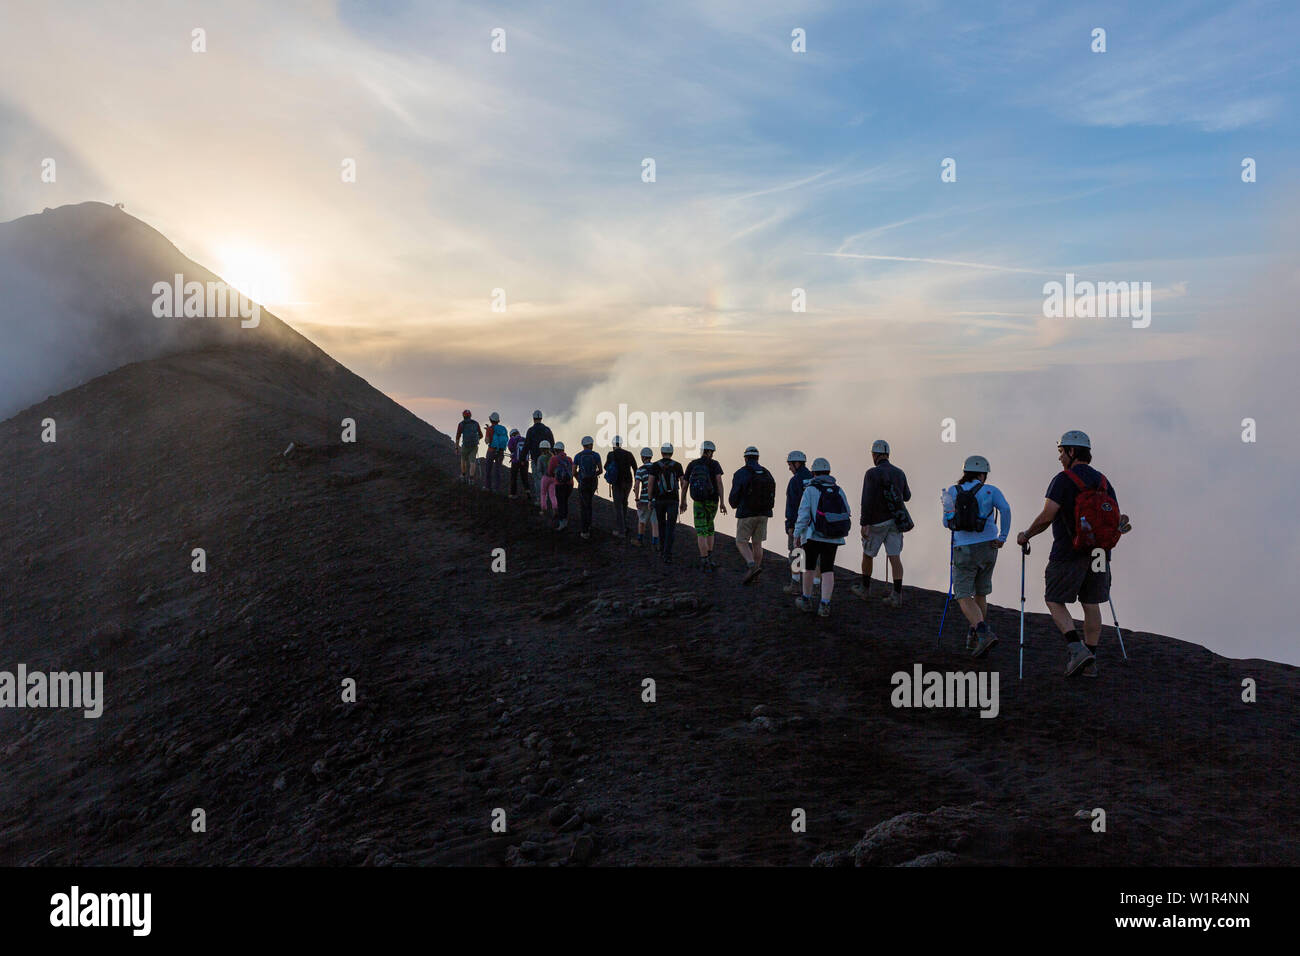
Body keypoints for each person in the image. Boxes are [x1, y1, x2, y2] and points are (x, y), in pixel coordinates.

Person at [1017, 430, 1126, 678]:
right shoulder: (1103, 481)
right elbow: (1116, 517)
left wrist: (1026, 535)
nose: (1059, 458)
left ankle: (1076, 649)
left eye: (1061, 452)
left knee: (1054, 599)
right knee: (1092, 603)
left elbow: (1048, 515)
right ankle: (1091, 660)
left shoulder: (1063, 479)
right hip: (1100, 554)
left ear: (1072, 451)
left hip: (1070, 551)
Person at [942, 455, 1012, 658]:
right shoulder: (991, 490)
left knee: (963, 594)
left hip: (964, 547)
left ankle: (982, 632)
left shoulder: (952, 491)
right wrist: (1003, 537)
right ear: (983, 474)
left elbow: (947, 523)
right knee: (981, 591)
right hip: (989, 545)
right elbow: (1005, 509)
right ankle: (974, 635)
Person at [854, 439, 911, 607]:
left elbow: (867, 500)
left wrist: (864, 523)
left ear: (875, 455)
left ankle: (865, 589)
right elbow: (907, 496)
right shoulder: (899, 473)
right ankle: (897, 595)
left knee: (868, 554)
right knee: (895, 557)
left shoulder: (871, 473)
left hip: (877, 521)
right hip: (896, 521)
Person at [792, 458, 851, 617]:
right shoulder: (838, 490)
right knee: (827, 569)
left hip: (812, 536)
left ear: (813, 472)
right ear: (829, 472)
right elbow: (847, 512)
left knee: (809, 567)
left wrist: (796, 535)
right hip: (833, 536)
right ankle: (825, 604)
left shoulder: (810, 490)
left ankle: (806, 600)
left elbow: (803, 515)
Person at [728, 445, 776, 584]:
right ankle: (756, 576)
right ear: (758, 457)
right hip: (764, 513)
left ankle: (752, 566)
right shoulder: (767, 473)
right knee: (757, 543)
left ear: (745, 458)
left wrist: (734, 504)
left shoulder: (741, 473)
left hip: (746, 513)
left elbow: (735, 494)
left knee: (741, 541)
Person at [684, 440, 727, 572]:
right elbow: (719, 482)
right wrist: (722, 502)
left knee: (700, 530)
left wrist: (682, 501)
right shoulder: (715, 464)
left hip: (698, 501)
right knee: (709, 527)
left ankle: (704, 561)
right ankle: (710, 557)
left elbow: (685, 484)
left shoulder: (693, 464)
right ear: (711, 452)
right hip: (712, 501)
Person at [648, 442, 686, 564]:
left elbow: (650, 483)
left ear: (661, 452)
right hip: (673, 500)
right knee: (671, 527)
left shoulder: (655, 466)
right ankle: (667, 553)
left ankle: (662, 549)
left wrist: (650, 499)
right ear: (672, 452)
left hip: (659, 500)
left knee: (661, 525)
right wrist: (683, 500)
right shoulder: (678, 466)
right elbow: (683, 484)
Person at [783, 450, 813, 595]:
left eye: (790, 464)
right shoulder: (814, 478)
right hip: (814, 525)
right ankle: (816, 586)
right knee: (814, 555)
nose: (789, 468)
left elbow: (792, 504)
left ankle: (795, 584)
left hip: (798, 524)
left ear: (797, 463)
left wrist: (790, 525)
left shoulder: (795, 481)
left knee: (795, 552)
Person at [605, 435, 638, 538]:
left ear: (613, 445)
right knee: (624, 503)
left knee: (618, 506)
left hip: (617, 482)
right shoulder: (629, 454)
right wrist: (636, 483)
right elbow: (635, 468)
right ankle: (624, 526)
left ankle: (621, 530)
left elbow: (606, 466)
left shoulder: (611, 455)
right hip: (628, 482)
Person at [573, 436, 603, 540]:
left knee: (583, 506)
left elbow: (573, 472)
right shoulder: (596, 455)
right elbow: (601, 470)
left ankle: (584, 530)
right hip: (592, 483)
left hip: (583, 483)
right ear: (591, 444)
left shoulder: (578, 456)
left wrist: (579, 479)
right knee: (589, 504)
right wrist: (594, 475)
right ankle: (589, 526)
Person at [632, 447, 660, 549]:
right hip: (655, 500)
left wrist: (636, 499)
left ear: (643, 457)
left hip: (644, 500)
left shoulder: (641, 469)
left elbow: (637, 485)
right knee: (655, 522)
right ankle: (655, 543)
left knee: (642, 521)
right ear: (651, 457)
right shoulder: (657, 468)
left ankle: (639, 540)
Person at [524, 410, 554, 500]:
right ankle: (548, 499)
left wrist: (522, 458)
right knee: (547, 478)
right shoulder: (547, 430)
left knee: (537, 479)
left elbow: (527, 445)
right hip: (548, 459)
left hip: (535, 458)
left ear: (533, 419)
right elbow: (552, 443)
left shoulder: (530, 430)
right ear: (541, 418)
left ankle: (540, 499)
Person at [548, 440, 575, 531]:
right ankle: (565, 520)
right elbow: (572, 471)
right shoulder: (569, 459)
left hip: (559, 484)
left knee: (560, 503)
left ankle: (561, 522)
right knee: (565, 502)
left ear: (555, 450)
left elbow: (550, 471)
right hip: (569, 484)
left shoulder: (554, 459)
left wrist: (554, 476)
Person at [454, 409, 482, 483]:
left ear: (463, 416)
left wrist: (456, 447)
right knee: (472, 461)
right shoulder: (476, 423)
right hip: (474, 445)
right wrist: (477, 439)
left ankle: (463, 475)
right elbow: (481, 435)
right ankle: (471, 478)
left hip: (465, 445)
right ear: (470, 415)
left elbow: (458, 436)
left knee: (463, 460)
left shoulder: (461, 424)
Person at [484, 412, 509, 493]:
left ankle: (488, 487)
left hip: (491, 451)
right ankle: (497, 489)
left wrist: (487, 431)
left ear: (490, 420)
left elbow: (487, 441)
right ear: (498, 420)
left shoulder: (490, 429)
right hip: (500, 452)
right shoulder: (503, 429)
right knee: (497, 470)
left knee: (488, 469)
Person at [536, 440, 555, 518]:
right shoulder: (553, 457)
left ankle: (543, 510)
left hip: (545, 477)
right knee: (552, 495)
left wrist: (541, 477)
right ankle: (555, 508)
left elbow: (538, 469)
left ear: (541, 448)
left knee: (543, 494)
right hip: (553, 478)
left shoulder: (540, 458)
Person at [507, 428, 528, 499]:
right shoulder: (524, 439)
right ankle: (528, 493)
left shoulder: (512, 439)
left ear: (511, 435)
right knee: (525, 478)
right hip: (525, 461)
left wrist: (513, 454)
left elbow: (510, 447)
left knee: (513, 477)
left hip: (515, 461)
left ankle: (513, 494)